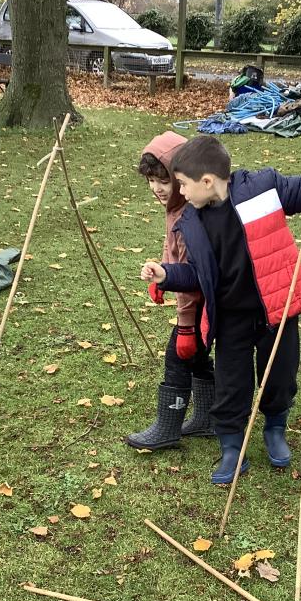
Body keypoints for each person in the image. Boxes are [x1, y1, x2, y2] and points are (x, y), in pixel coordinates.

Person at [139, 133, 301, 484]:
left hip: (276, 312)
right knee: (231, 384)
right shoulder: (190, 221)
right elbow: (198, 275)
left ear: (207, 181)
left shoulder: (262, 187)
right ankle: (232, 446)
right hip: (230, 316)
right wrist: (167, 274)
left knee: (279, 377)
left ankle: (275, 429)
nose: (181, 193)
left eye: (184, 185)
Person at [126, 131, 215, 450]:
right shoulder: (178, 206)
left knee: (179, 355)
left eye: (163, 180)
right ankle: (207, 418)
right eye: (151, 181)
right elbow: (172, 247)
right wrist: (163, 275)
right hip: (200, 297)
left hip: (203, 302)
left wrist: (187, 326)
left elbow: (194, 278)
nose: (157, 188)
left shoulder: (190, 216)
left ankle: (167, 427)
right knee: (198, 355)